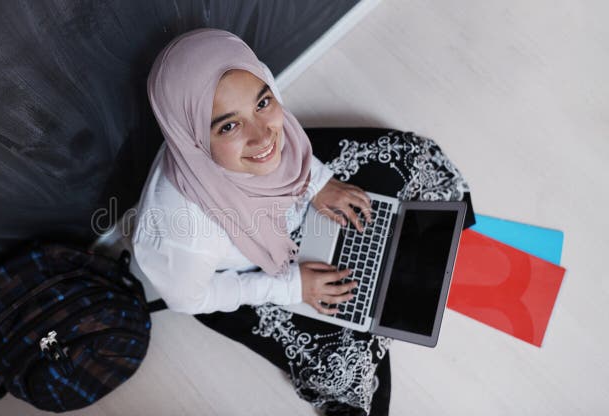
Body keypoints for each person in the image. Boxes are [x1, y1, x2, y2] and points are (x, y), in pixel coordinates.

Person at [119, 28, 475, 416]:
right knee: (342, 361)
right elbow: (193, 300)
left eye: (262, 102)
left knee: (408, 157)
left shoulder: (262, 124)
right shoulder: (180, 237)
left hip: (287, 208)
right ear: (190, 139)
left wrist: (317, 183)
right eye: (228, 126)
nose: (262, 136)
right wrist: (293, 286)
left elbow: (282, 141)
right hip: (253, 272)